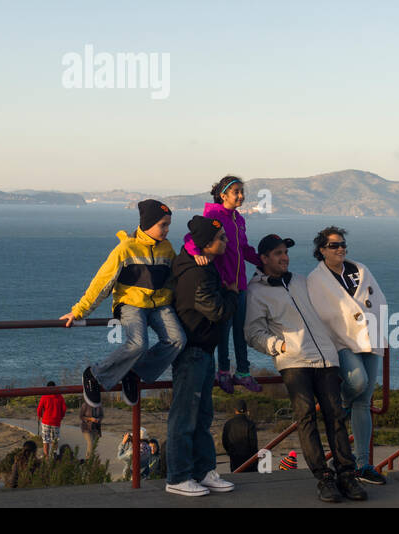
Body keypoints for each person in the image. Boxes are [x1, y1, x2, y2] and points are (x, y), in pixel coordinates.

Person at [245, 233, 365, 503]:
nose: (284, 257)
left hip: (326, 358)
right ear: (263, 259)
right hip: (294, 362)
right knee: (307, 417)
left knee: (336, 415)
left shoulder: (302, 281)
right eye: (277, 253)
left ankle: (347, 474)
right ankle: (324, 479)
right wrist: (280, 346)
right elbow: (252, 332)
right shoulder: (255, 291)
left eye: (285, 252)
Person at [61, 200, 186, 407]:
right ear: (148, 224)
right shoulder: (125, 249)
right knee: (138, 344)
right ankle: (95, 374)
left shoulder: (167, 248)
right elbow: (102, 283)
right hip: (130, 304)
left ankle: (134, 372)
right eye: (163, 225)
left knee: (178, 340)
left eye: (168, 225)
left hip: (159, 304)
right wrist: (79, 311)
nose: (167, 229)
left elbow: (176, 277)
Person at [306, 225, 389, 485]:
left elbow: (379, 300)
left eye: (342, 244)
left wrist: (379, 329)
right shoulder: (316, 279)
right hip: (340, 342)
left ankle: (362, 464)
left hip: (370, 338)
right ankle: (338, 408)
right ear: (322, 250)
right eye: (334, 245)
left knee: (364, 400)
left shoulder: (360, 270)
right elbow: (321, 313)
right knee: (358, 383)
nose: (340, 248)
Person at [166, 215, 237, 496]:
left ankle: (202, 471)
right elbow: (216, 310)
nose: (226, 242)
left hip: (203, 350)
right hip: (193, 351)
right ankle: (178, 477)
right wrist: (231, 294)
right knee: (184, 418)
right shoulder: (196, 274)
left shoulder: (202, 265)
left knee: (202, 416)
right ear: (207, 245)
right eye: (222, 239)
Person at [182, 175, 263, 394]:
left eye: (242, 191)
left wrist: (263, 261)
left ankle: (243, 372)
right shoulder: (213, 215)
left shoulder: (239, 220)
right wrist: (196, 253)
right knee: (223, 332)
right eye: (236, 191)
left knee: (240, 330)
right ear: (223, 195)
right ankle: (224, 372)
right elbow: (190, 239)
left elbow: (244, 249)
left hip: (241, 284)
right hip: (223, 284)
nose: (241, 196)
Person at [221, 399, 259, 472]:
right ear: (246, 410)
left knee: (237, 478)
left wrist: (229, 452)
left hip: (234, 457)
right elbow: (253, 443)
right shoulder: (250, 423)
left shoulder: (229, 423)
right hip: (249, 458)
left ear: (235, 410)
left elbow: (225, 441)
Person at [36, 382, 66, 458]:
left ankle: (46, 457)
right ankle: (54, 456)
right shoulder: (60, 397)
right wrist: (61, 417)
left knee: (46, 440)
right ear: (55, 387)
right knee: (54, 440)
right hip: (56, 422)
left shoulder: (44, 396)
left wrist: (39, 416)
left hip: (46, 421)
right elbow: (64, 409)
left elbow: (39, 408)